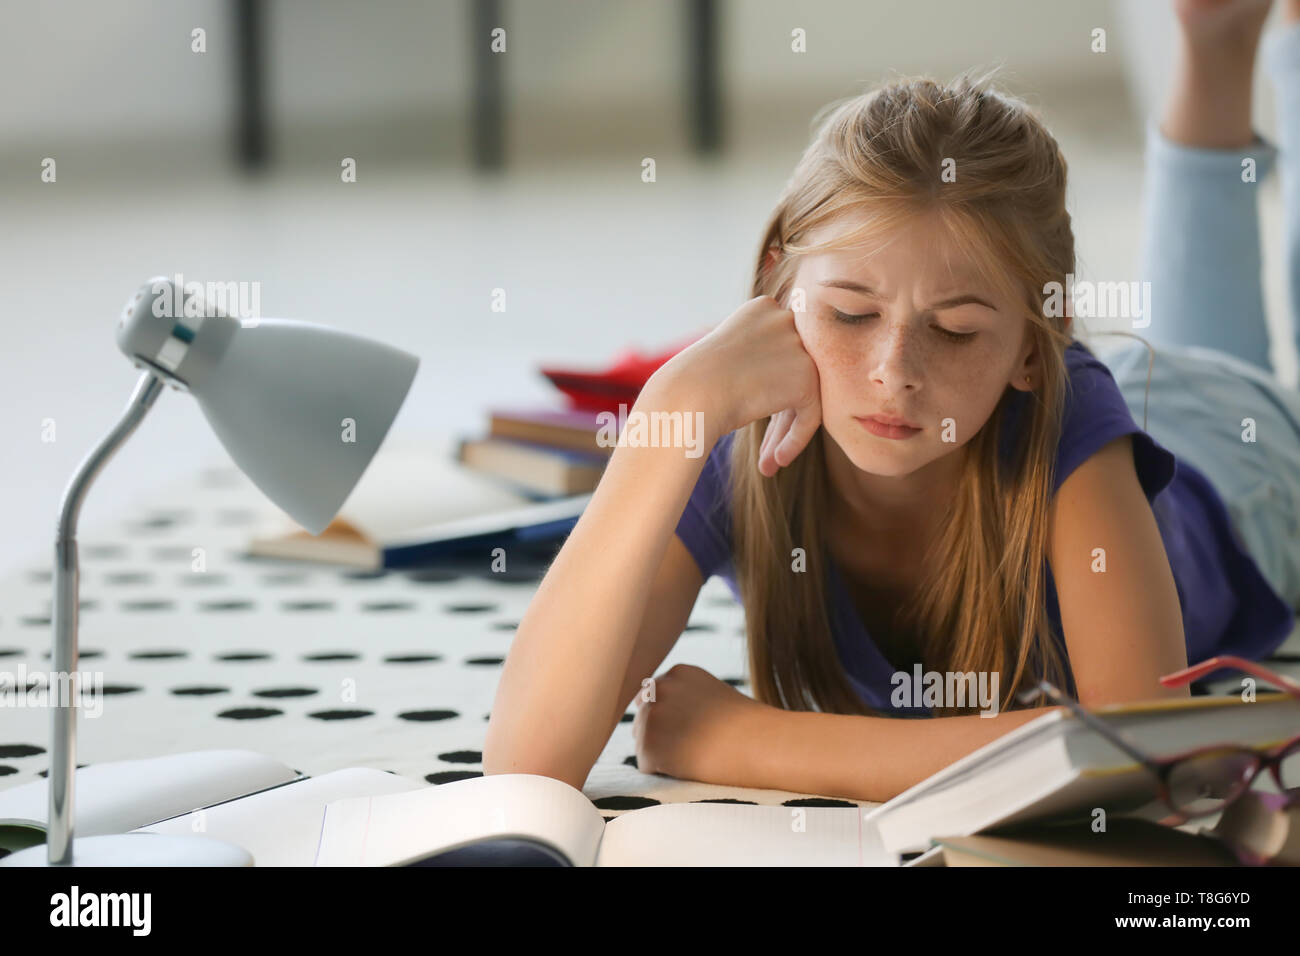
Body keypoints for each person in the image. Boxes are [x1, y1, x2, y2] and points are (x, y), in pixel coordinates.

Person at [483, 1, 1300, 805]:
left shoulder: (1067, 424)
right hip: (1145, 391)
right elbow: (525, 761)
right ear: (779, 283)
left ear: (1033, 342)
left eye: (952, 330)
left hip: (1248, 473)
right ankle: (1216, 38)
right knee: (1205, 347)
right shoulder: (729, 435)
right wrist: (670, 414)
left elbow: (1134, 756)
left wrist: (744, 740)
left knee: (1233, 373)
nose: (893, 372)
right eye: (850, 315)